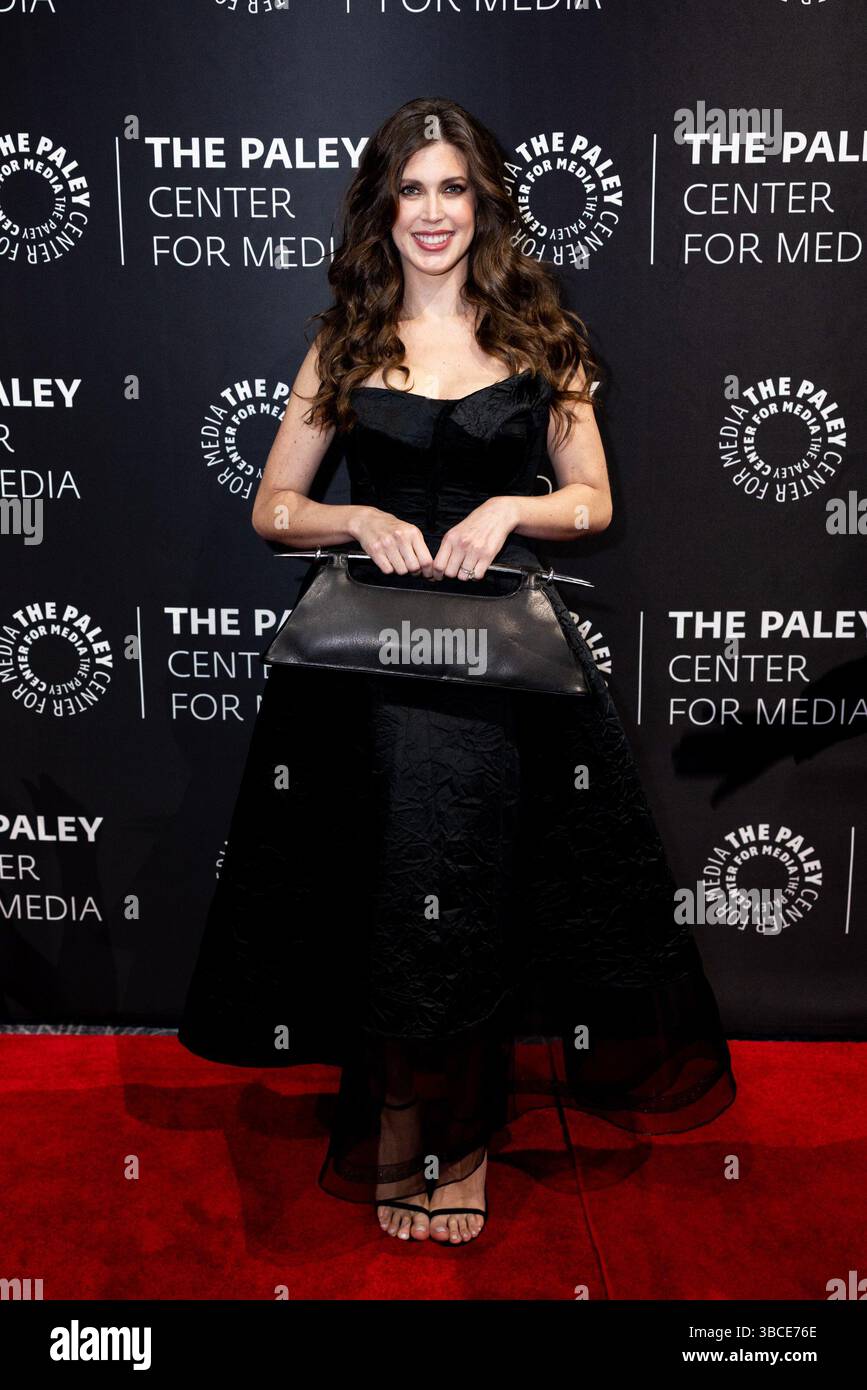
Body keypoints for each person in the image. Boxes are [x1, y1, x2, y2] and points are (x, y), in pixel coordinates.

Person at [177, 96, 736, 1247]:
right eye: (412, 190)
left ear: (483, 205)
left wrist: (509, 504)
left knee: (470, 889)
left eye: (453, 189)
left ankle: (461, 1133)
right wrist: (354, 519)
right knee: (384, 887)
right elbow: (272, 506)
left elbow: (595, 500)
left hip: (495, 667)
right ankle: (395, 1117)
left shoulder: (542, 336)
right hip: (362, 673)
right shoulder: (345, 340)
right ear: (384, 209)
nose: (433, 213)